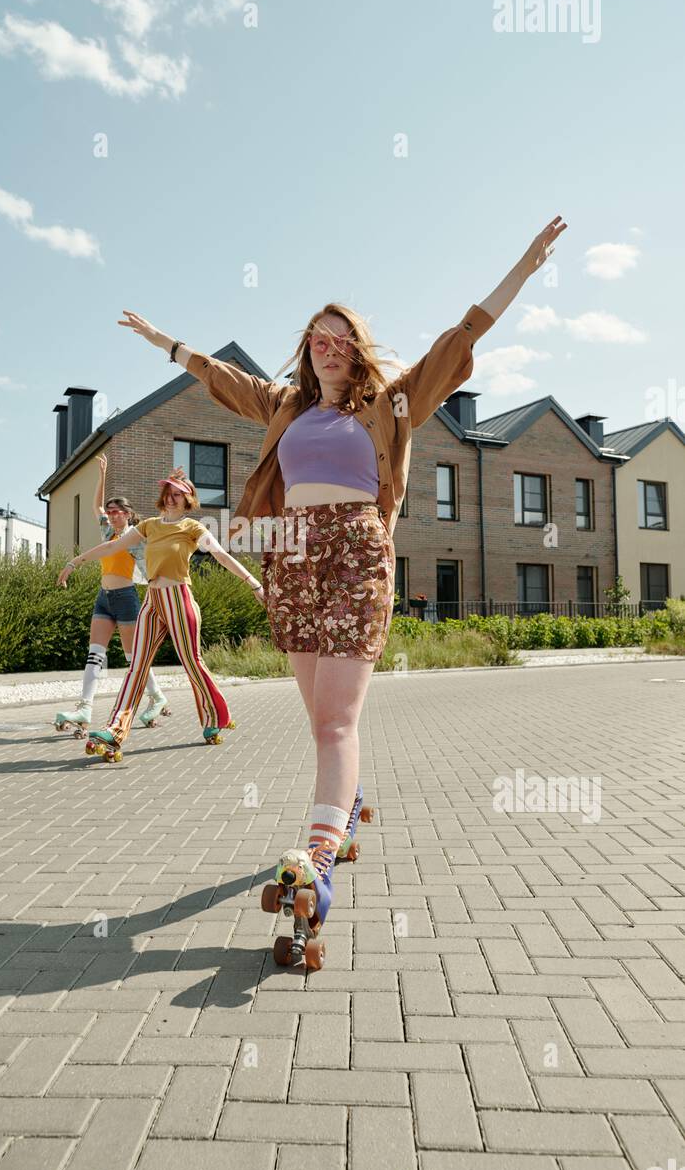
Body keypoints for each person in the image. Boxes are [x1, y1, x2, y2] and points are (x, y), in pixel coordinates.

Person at [116, 216, 568, 967]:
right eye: (315, 338)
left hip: (358, 548)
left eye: (338, 337)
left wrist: (523, 266)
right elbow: (220, 379)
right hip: (291, 554)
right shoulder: (286, 406)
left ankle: (318, 863)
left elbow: (461, 336)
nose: (326, 347)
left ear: (355, 348)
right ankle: (348, 809)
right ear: (306, 350)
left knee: (334, 722)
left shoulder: (391, 402)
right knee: (318, 715)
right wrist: (163, 341)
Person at [57, 466, 265, 758]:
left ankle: (213, 718)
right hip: (152, 600)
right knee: (136, 666)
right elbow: (113, 545)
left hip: (178, 598)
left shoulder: (194, 528)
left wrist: (254, 584)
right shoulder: (149, 526)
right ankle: (115, 729)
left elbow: (221, 555)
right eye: (168, 493)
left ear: (188, 500)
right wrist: (74, 562)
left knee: (192, 663)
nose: (171, 498)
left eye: (178, 495)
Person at [54, 454, 167, 735]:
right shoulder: (107, 533)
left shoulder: (135, 537)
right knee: (95, 654)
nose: (113, 514)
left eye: (118, 511)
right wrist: (102, 475)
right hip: (104, 598)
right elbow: (95, 506)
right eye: (111, 510)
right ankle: (85, 707)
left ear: (128, 514)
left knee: (132, 656)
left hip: (126, 598)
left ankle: (156, 695)